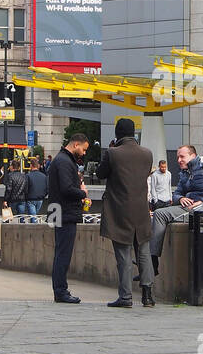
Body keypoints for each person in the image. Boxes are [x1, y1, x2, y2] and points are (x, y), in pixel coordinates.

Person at [98, 118, 155, 307]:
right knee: (144, 252)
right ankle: (148, 295)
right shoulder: (147, 154)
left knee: (123, 255)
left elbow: (100, 174)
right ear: (133, 133)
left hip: (120, 210)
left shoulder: (113, 153)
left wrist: (110, 149)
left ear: (117, 134)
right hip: (141, 210)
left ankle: (126, 297)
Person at [149, 145, 203, 274]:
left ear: (193, 155)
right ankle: (151, 260)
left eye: (182, 156)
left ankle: (152, 262)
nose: (179, 160)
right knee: (154, 216)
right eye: (178, 157)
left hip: (202, 210)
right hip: (188, 208)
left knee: (159, 214)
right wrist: (180, 198)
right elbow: (176, 194)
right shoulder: (185, 172)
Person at [47, 133, 90, 303]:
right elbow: (66, 189)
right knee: (63, 253)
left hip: (58, 210)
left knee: (60, 251)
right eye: (84, 149)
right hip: (64, 213)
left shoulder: (60, 160)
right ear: (76, 144)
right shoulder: (64, 162)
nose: (84, 153)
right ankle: (61, 291)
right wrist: (82, 193)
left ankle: (60, 290)